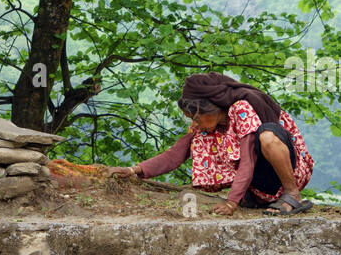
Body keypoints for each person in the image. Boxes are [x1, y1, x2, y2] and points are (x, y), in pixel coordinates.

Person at [106, 72, 315, 215]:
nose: (194, 123)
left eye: (196, 118)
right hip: (259, 187)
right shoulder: (208, 128)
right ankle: (254, 198)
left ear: (210, 109)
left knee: (267, 136)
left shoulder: (241, 109)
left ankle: (292, 195)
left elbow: (249, 159)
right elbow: (174, 155)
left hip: (285, 172)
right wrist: (134, 170)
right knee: (197, 139)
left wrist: (231, 202)